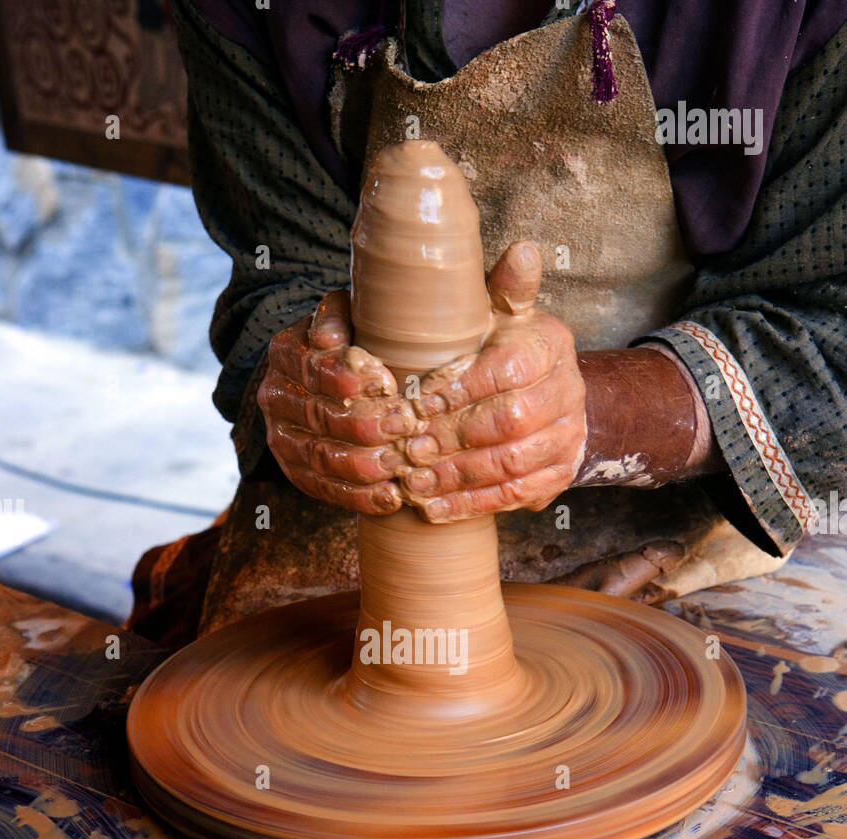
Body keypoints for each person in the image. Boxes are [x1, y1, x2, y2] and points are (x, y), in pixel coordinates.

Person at [128, 0, 847, 648]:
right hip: (363, 544)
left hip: (715, 519)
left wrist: (591, 417)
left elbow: (833, 332)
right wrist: (306, 397)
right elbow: (280, 279)